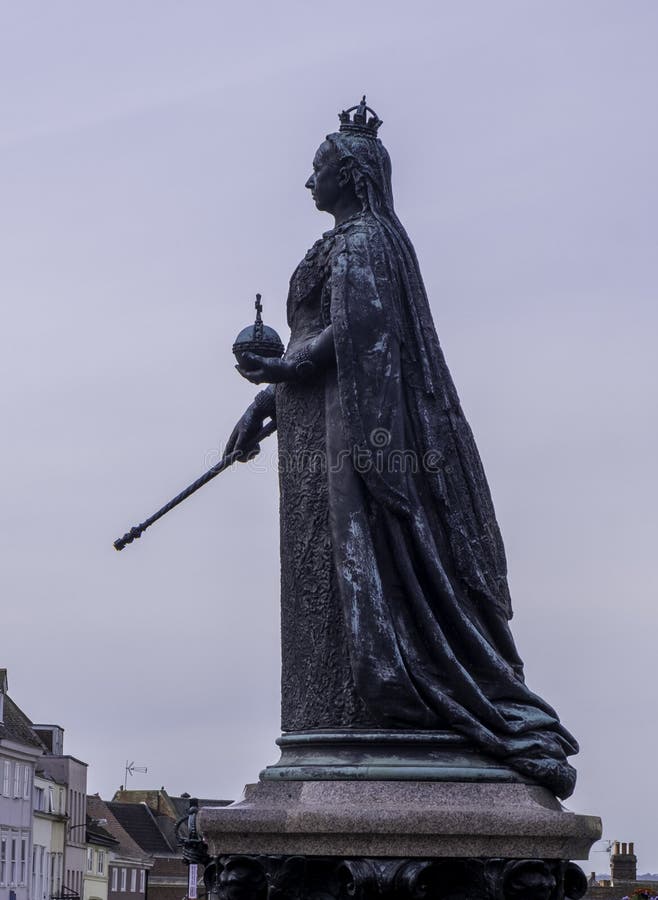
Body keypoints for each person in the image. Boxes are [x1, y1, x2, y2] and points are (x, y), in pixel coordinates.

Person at [225, 98, 578, 799]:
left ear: (351, 178)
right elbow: (321, 342)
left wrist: (284, 373)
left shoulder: (362, 243)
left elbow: (360, 329)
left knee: (370, 564)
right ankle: (368, 696)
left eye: (318, 167)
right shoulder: (357, 241)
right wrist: (270, 398)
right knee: (333, 571)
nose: (307, 181)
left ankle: (397, 683)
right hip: (324, 421)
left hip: (360, 435)